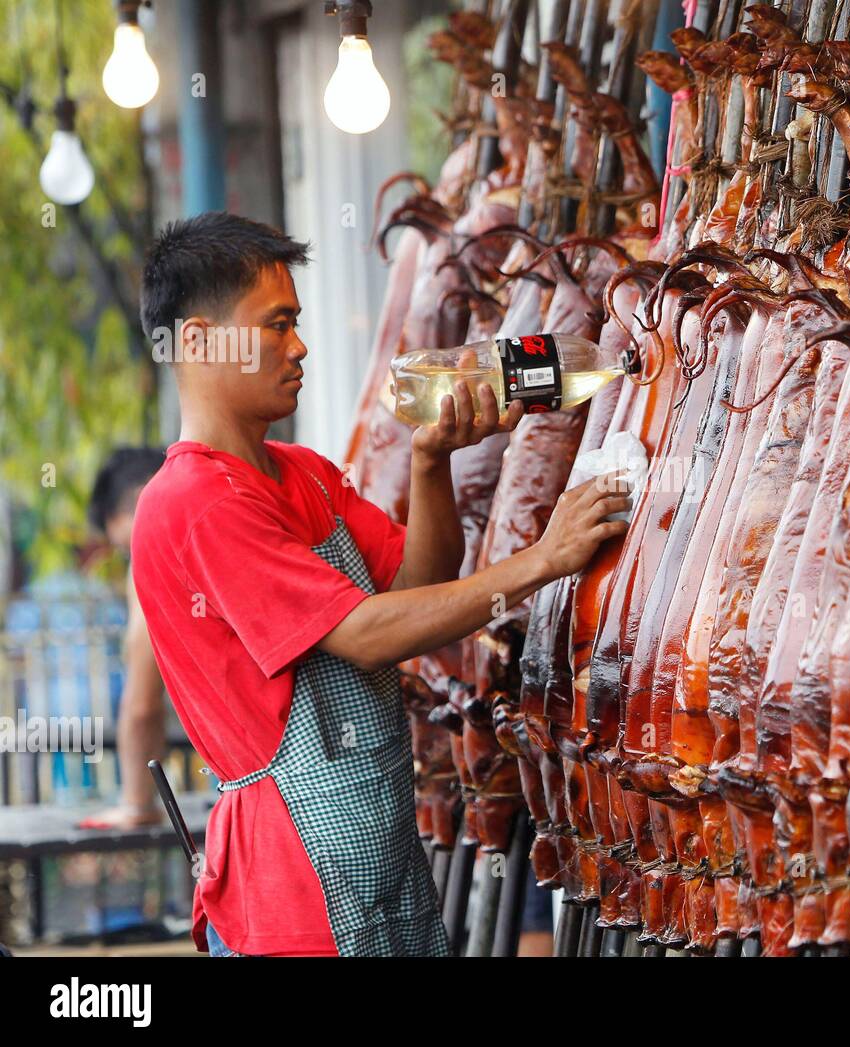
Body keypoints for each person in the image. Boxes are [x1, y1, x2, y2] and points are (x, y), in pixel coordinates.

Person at [129, 213, 629, 957]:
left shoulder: (302, 473)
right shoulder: (195, 501)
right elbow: (364, 635)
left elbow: (419, 589)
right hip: (295, 890)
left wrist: (433, 463)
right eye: (277, 325)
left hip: (383, 856)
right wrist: (545, 559)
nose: (300, 346)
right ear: (199, 340)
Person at [80, 448, 168, 831]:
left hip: (269, 773)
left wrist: (135, 803)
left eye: (120, 546)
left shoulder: (155, 544)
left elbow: (142, 703)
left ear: (135, 501)